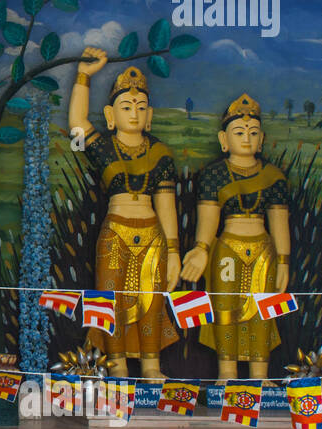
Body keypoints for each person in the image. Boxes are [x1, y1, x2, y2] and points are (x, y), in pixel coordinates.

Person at [69, 52, 181, 379]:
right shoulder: (104, 147)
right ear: (110, 115)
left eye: (141, 108)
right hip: (115, 229)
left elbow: (166, 204)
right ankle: (116, 365)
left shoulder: (160, 152)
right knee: (111, 298)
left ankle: (151, 366)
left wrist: (173, 251)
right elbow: (77, 123)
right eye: (127, 108)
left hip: (152, 233)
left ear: (150, 116)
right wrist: (83, 76)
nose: (135, 114)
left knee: (152, 300)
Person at [180, 95, 290, 380]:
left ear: (262, 139)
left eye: (253, 133)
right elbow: (208, 219)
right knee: (224, 309)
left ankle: (260, 377)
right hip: (227, 247)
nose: (246, 138)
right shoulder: (215, 175)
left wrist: (284, 260)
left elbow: (279, 222)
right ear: (223, 139)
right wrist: (201, 248)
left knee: (262, 311)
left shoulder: (273, 176)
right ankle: (226, 374)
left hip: (263, 249)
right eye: (239, 133)